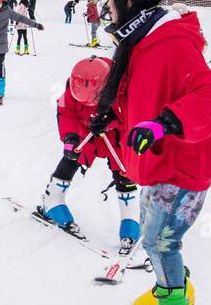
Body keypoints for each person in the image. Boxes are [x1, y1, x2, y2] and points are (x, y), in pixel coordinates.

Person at [88, 0, 211, 305]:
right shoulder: (140, 40)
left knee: (160, 241)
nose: (107, 6)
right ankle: (182, 282)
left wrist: (165, 123)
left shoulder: (171, 42)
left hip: (183, 161)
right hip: (157, 161)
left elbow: (206, 94)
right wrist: (110, 114)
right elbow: (140, 94)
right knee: (153, 232)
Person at [37, 56, 140, 252]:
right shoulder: (72, 87)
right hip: (86, 130)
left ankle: (131, 218)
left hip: (118, 136)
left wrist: (111, 121)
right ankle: (53, 200)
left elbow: (135, 118)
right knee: (73, 156)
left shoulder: (125, 88)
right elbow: (66, 112)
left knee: (125, 171)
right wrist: (70, 138)